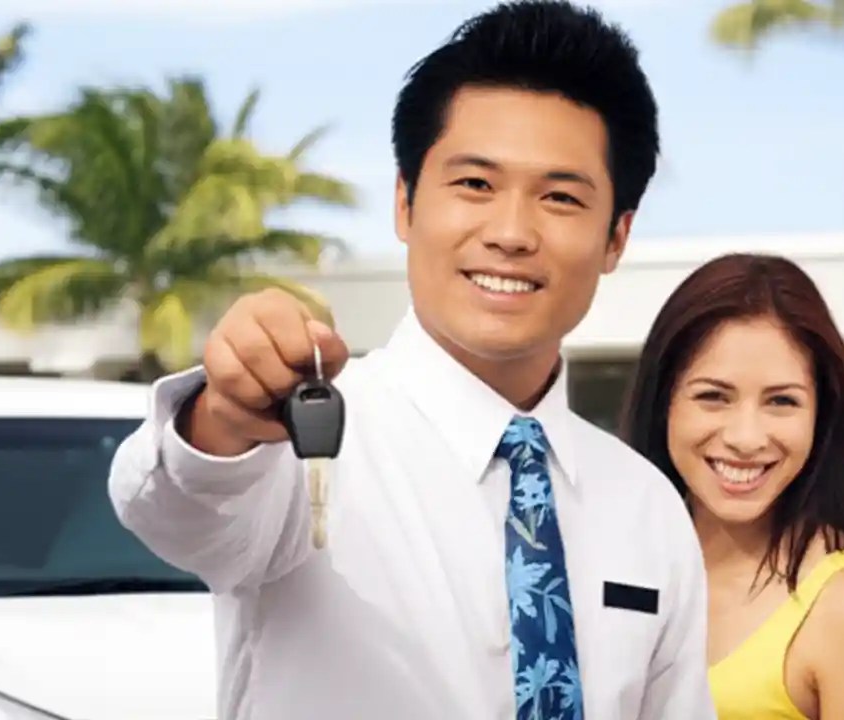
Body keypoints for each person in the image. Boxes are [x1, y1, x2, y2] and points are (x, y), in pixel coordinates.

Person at [106, 2, 716, 718]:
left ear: (616, 237)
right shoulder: (304, 443)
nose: (512, 233)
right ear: (405, 202)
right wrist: (225, 417)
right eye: (475, 185)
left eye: (559, 197)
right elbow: (177, 509)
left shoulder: (648, 508)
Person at [619, 252, 844, 719]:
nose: (746, 438)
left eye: (781, 401)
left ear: (821, 414)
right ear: (664, 402)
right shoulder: (614, 559)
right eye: (713, 397)